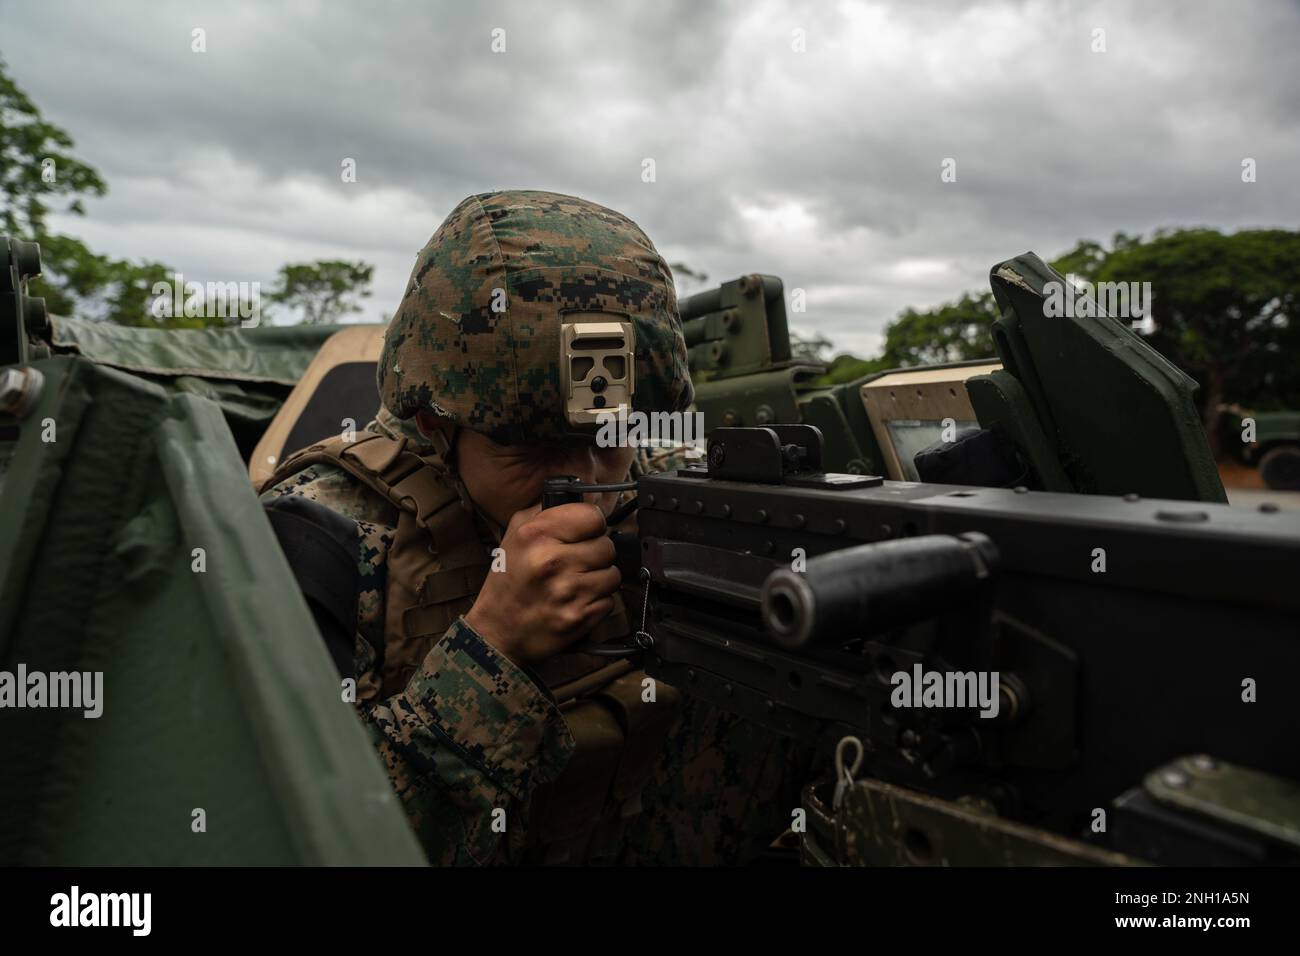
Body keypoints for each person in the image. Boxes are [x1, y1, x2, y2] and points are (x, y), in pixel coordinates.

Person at [260, 190, 813, 864]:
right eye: (532, 452)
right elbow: (289, 837)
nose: (585, 483)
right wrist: (491, 650)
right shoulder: (320, 540)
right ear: (435, 424)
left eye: (614, 439)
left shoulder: (675, 486)